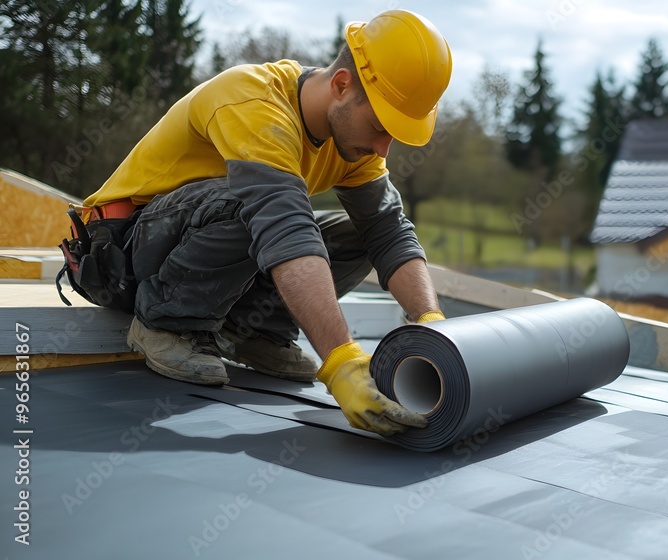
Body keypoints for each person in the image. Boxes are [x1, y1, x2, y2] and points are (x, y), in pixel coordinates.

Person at [76, 9, 451, 437]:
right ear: (342, 85)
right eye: (381, 127)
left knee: (360, 233)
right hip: (118, 255)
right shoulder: (253, 101)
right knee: (255, 203)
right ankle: (165, 321)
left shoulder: (355, 145)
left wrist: (432, 326)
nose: (383, 149)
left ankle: (253, 331)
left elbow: (389, 230)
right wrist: (341, 362)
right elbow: (284, 229)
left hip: (194, 237)